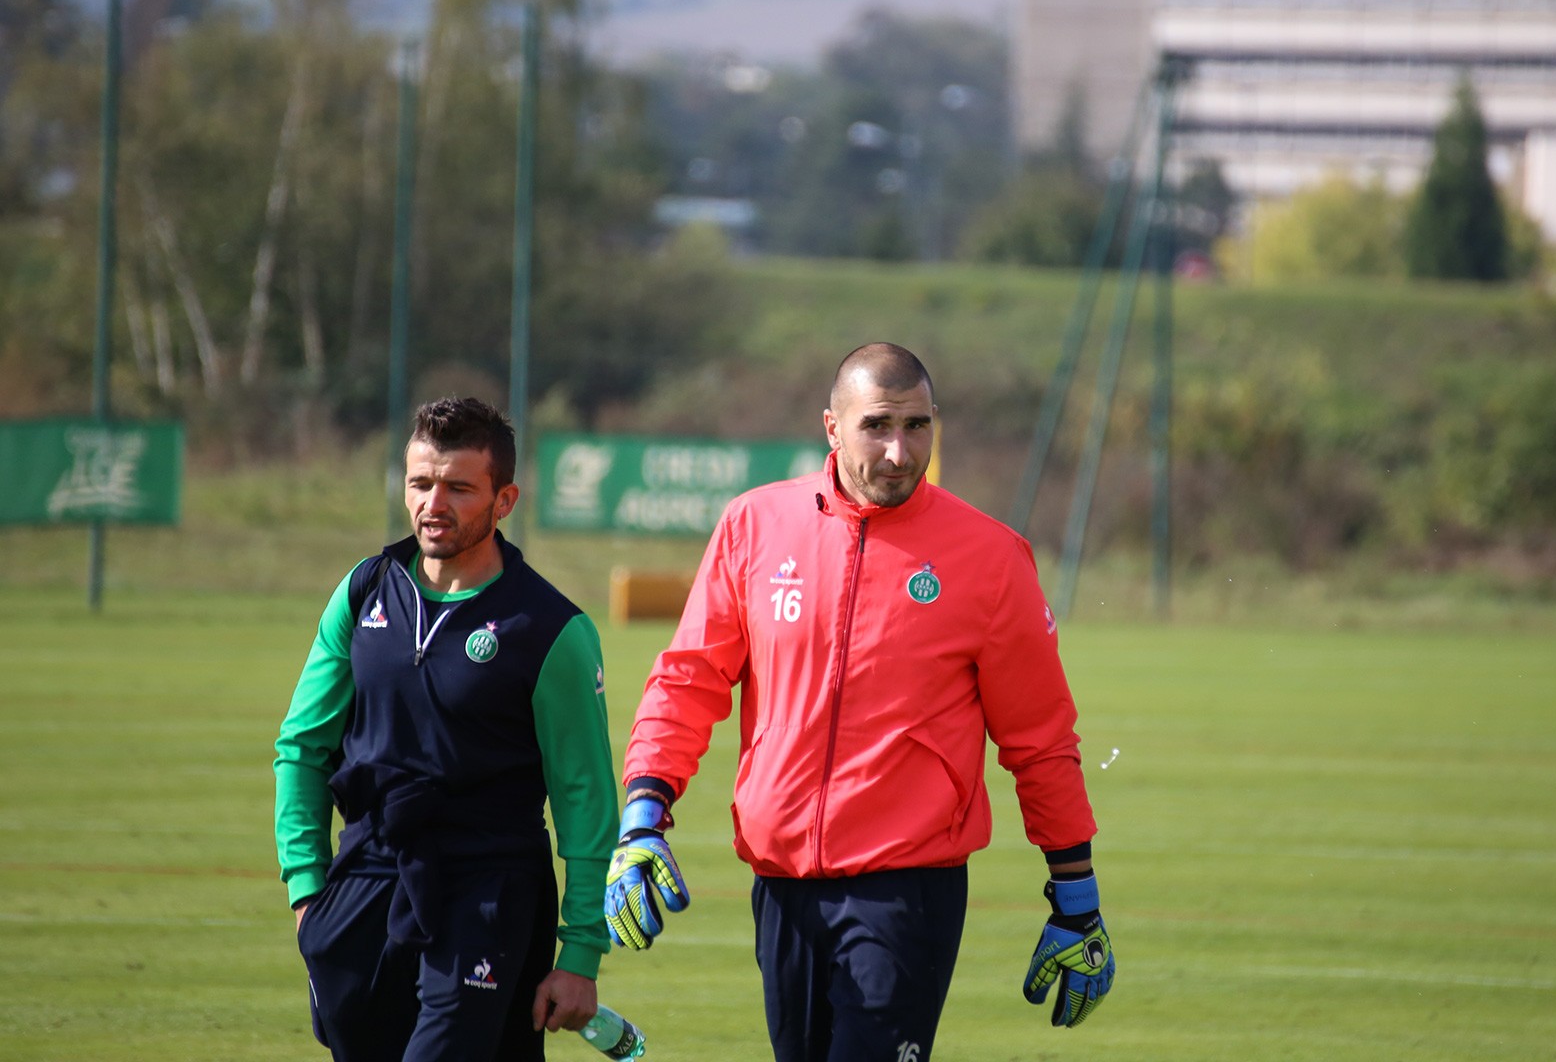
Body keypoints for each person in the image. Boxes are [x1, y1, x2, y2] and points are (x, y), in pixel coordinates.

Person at [604, 343, 1115, 1062]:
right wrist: (642, 818)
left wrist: (1076, 894)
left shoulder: (991, 558)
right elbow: (688, 682)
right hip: (780, 882)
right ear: (832, 426)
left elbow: (1040, 737)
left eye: (918, 427)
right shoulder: (754, 526)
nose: (900, 452)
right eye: (877, 425)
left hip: (906, 893)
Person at [274, 396, 619, 1062]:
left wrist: (580, 953)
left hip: (488, 886)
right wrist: (307, 892)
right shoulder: (363, 592)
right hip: (366, 877)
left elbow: (585, 804)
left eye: (460, 487)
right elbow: (302, 748)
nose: (435, 503)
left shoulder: (550, 630)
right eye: (421, 483)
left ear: (504, 499)